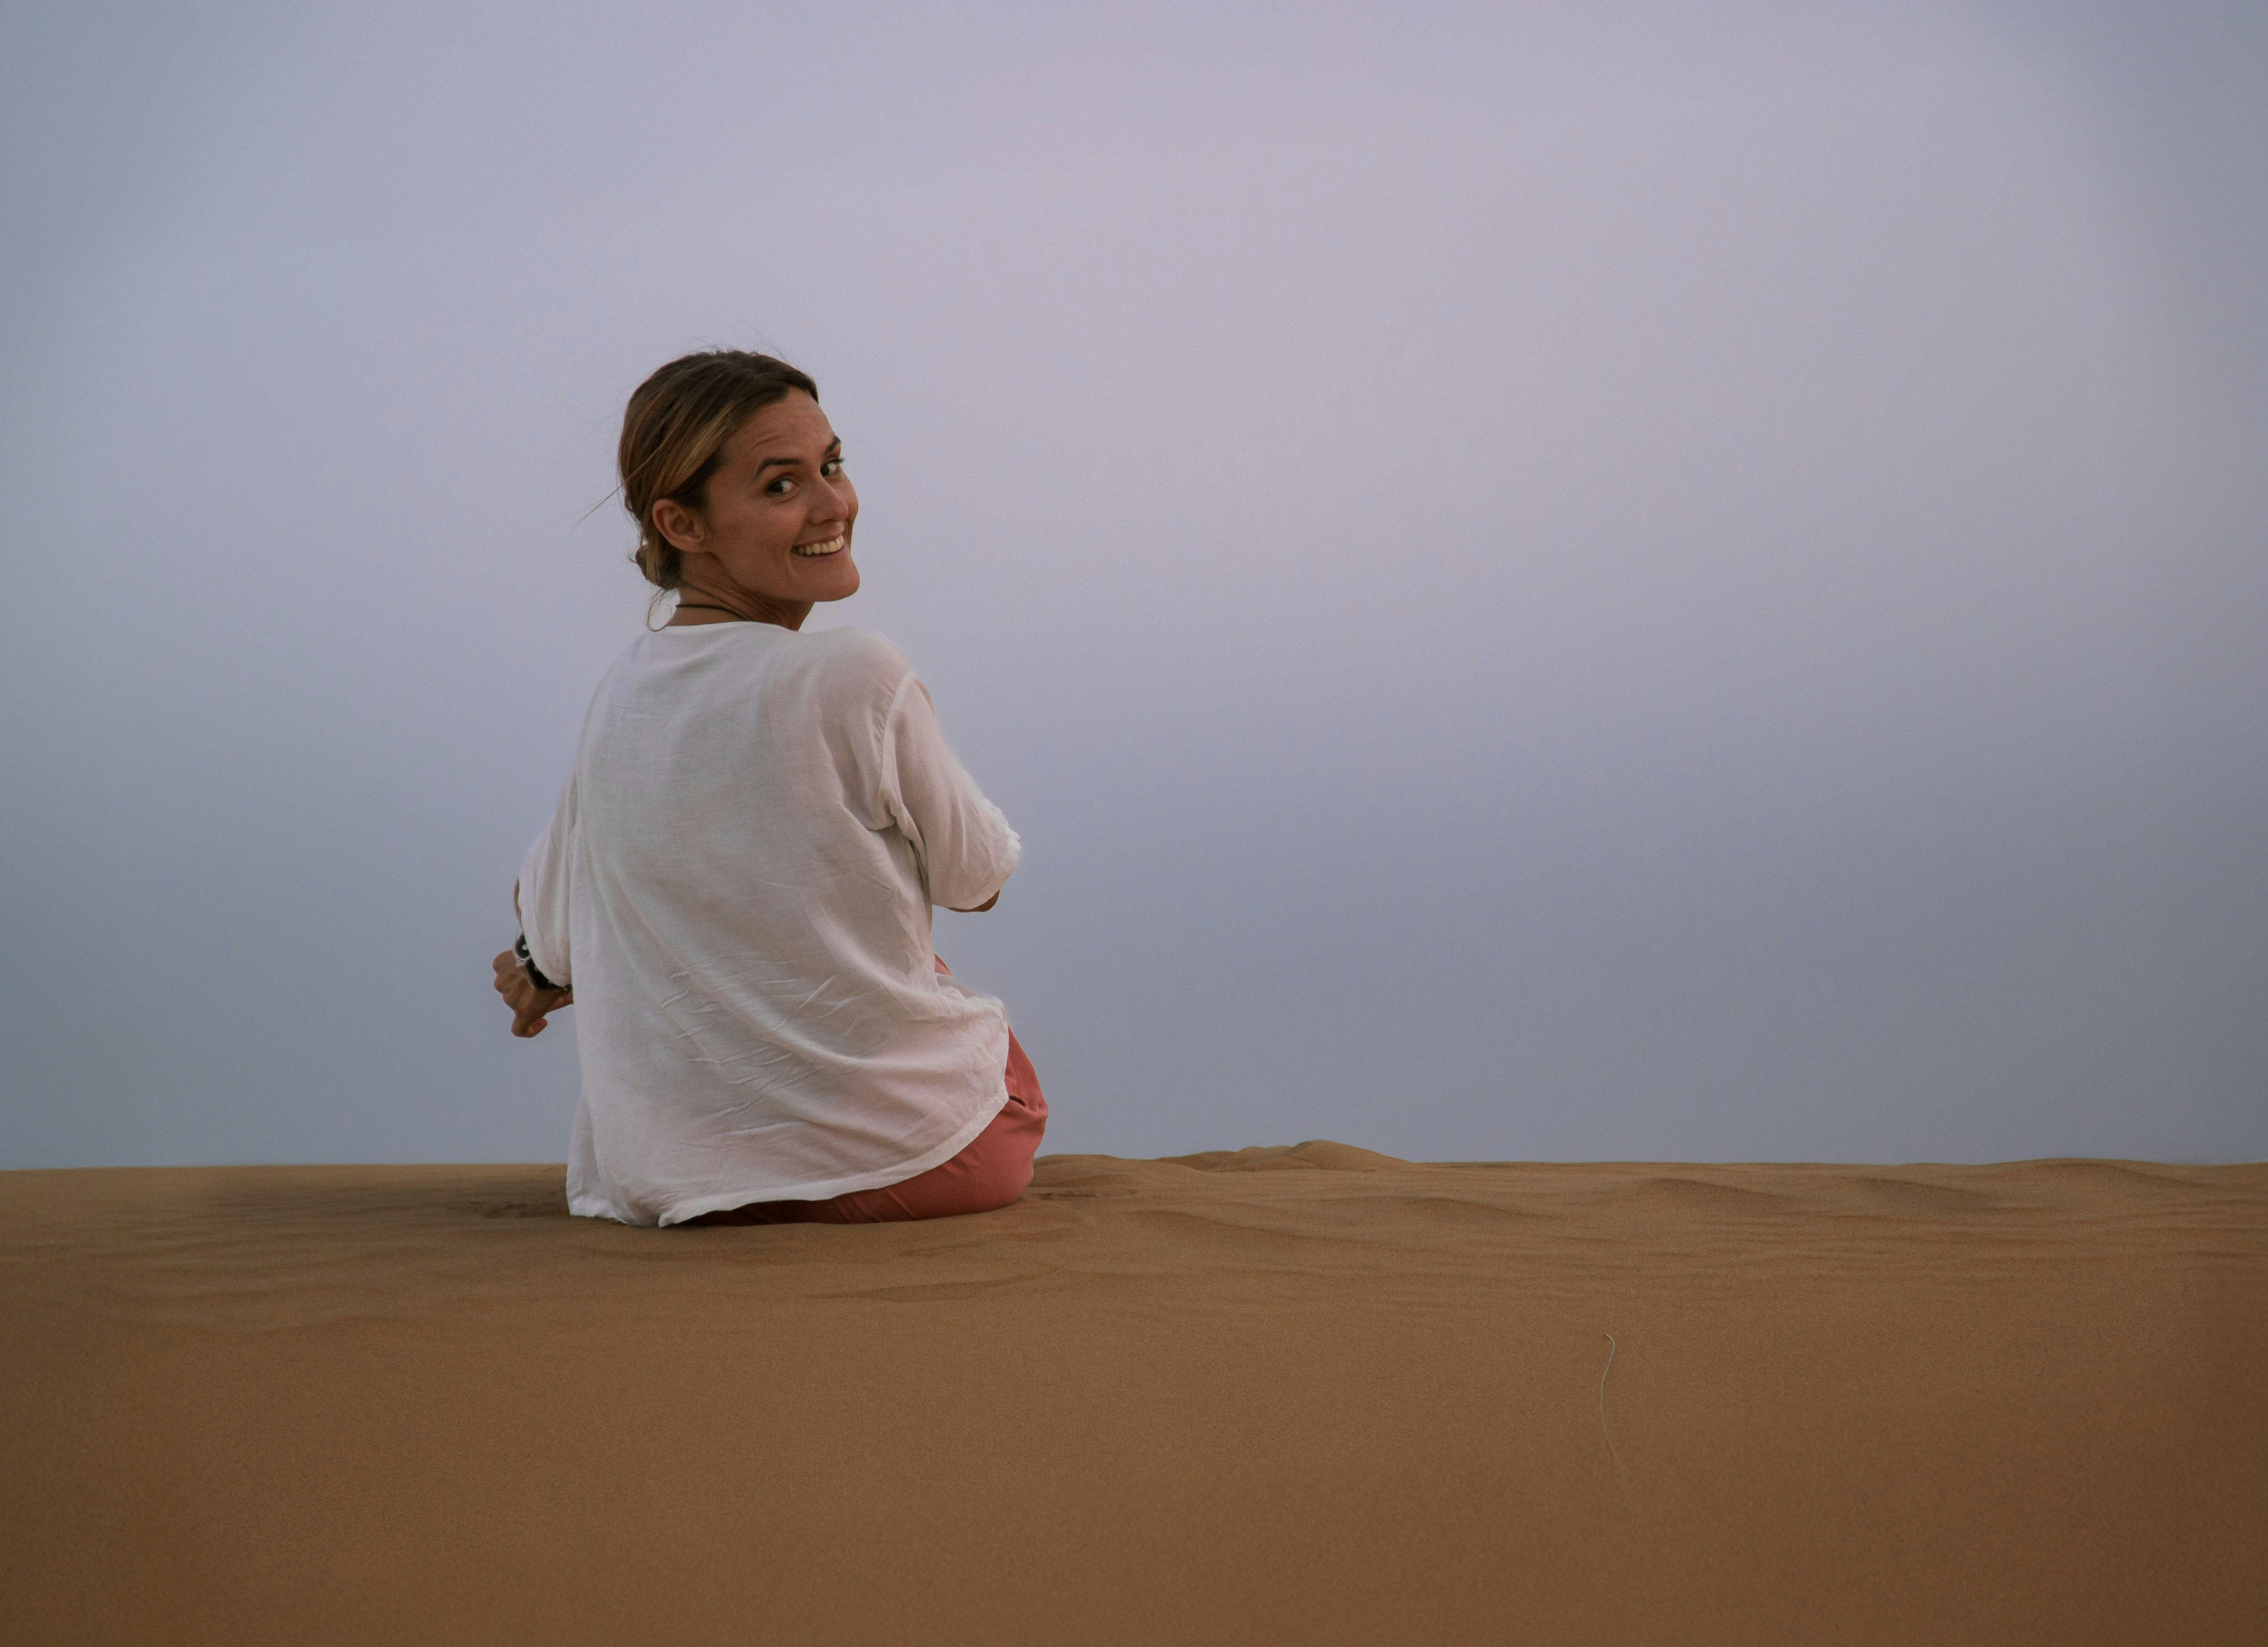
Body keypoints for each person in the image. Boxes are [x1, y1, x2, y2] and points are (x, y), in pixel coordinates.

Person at [491, 350, 1044, 1227]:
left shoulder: (619, 697)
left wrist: (536, 967)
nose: (834, 505)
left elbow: (548, 934)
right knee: (920, 963)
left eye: (831, 466)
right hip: (925, 1159)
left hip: (678, 1187)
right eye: (783, 486)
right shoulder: (860, 671)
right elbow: (978, 878)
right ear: (682, 524)